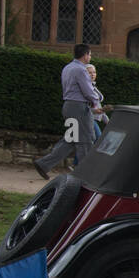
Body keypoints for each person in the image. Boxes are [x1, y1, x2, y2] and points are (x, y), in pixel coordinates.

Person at [34, 44, 100, 179]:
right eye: (90, 54)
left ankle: (43, 164)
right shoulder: (81, 70)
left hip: (69, 106)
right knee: (86, 140)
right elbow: (88, 90)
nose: (90, 57)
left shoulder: (68, 68)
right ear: (85, 55)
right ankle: (83, 175)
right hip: (79, 107)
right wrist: (96, 101)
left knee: (70, 139)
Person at [85, 63, 109, 141]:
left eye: (94, 72)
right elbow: (85, 105)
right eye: (90, 72)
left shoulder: (93, 86)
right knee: (98, 140)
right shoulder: (86, 87)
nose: (93, 74)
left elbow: (98, 105)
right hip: (88, 118)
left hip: (93, 118)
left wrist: (107, 120)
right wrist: (94, 111)